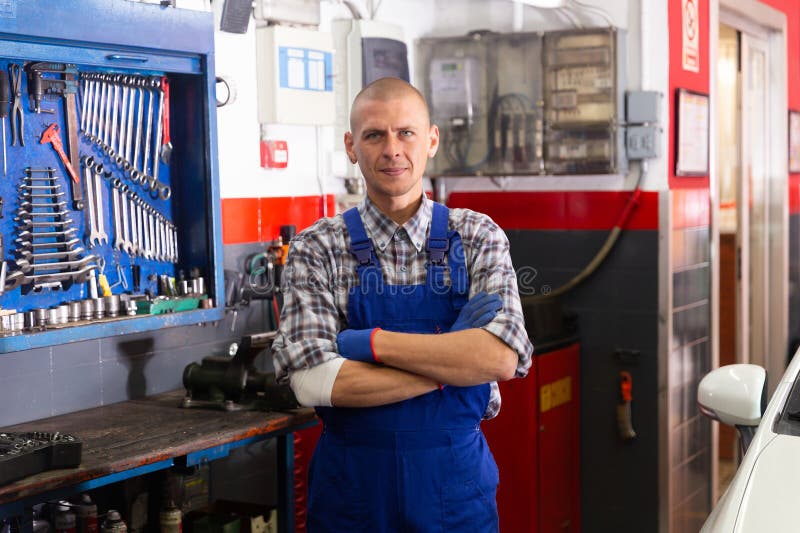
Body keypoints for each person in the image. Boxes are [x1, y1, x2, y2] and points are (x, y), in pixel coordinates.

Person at [272, 77, 533, 532]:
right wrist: (452, 359)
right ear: (352, 146)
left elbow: (499, 358)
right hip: (352, 496)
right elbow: (314, 383)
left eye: (406, 132)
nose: (392, 149)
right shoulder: (318, 247)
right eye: (375, 135)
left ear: (431, 139)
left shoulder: (476, 236)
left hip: (455, 495)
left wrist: (368, 343)